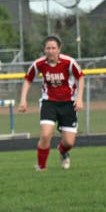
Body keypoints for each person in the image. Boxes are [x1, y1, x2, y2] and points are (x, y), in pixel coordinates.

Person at [18, 35, 84, 170]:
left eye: (53, 48)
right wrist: (23, 99)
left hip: (68, 103)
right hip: (49, 102)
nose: (51, 51)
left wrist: (79, 98)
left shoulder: (69, 62)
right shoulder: (39, 64)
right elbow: (28, 79)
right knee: (45, 134)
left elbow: (81, 78)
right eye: (48, 48)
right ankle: (41, 167)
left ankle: (63, 151)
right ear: (44, 50)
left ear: (59, 49)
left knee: (69, 142)